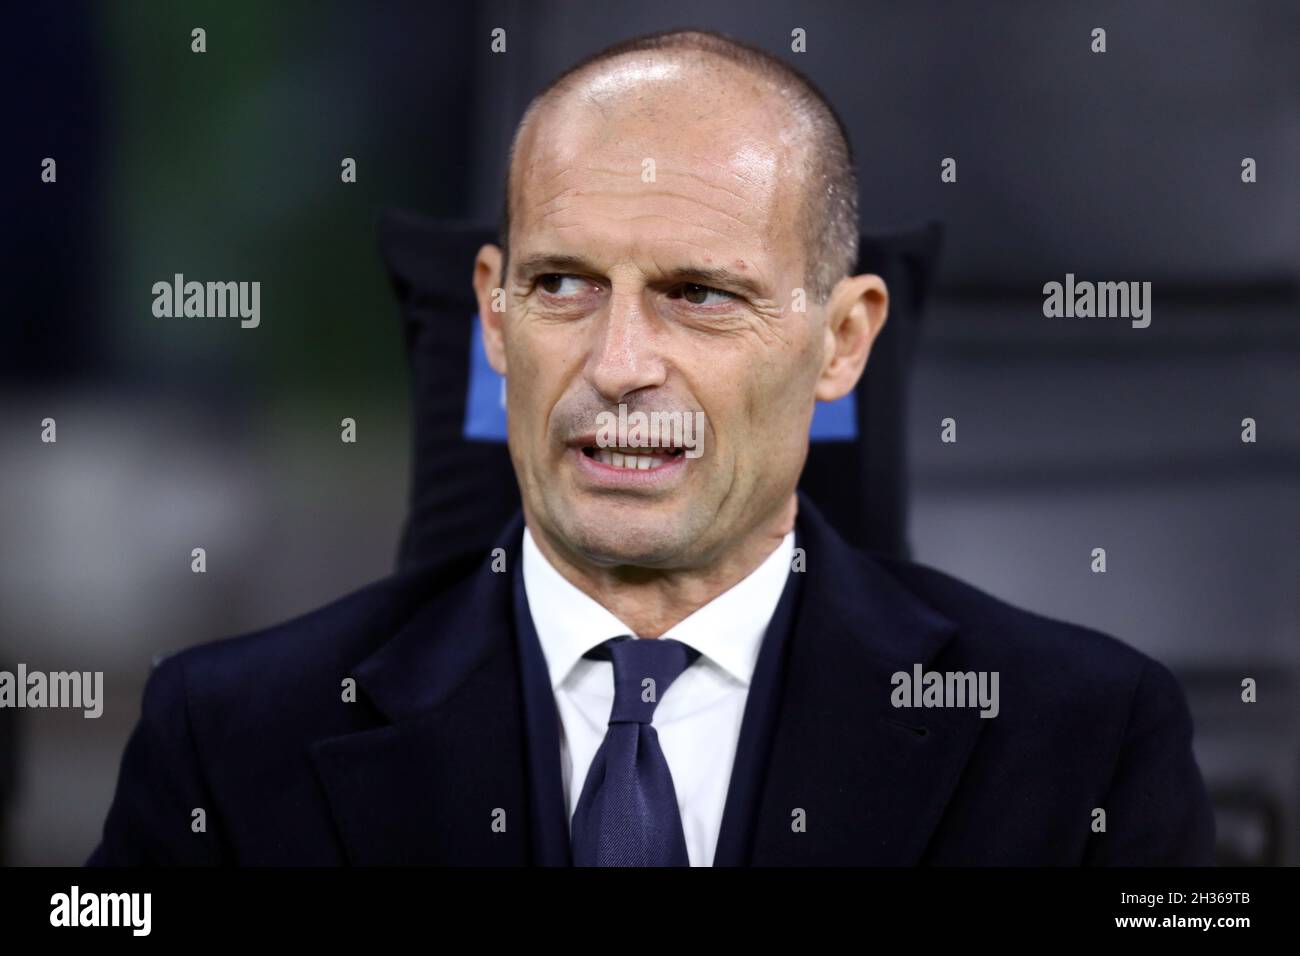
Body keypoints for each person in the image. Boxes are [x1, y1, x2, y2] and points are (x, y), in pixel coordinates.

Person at [88, 28, 1214, 866]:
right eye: (563, 284)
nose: (618, 361)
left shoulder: (1082, 741)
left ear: (842, 340)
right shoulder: (228, 743)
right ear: (492, 316)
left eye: (698, 294)